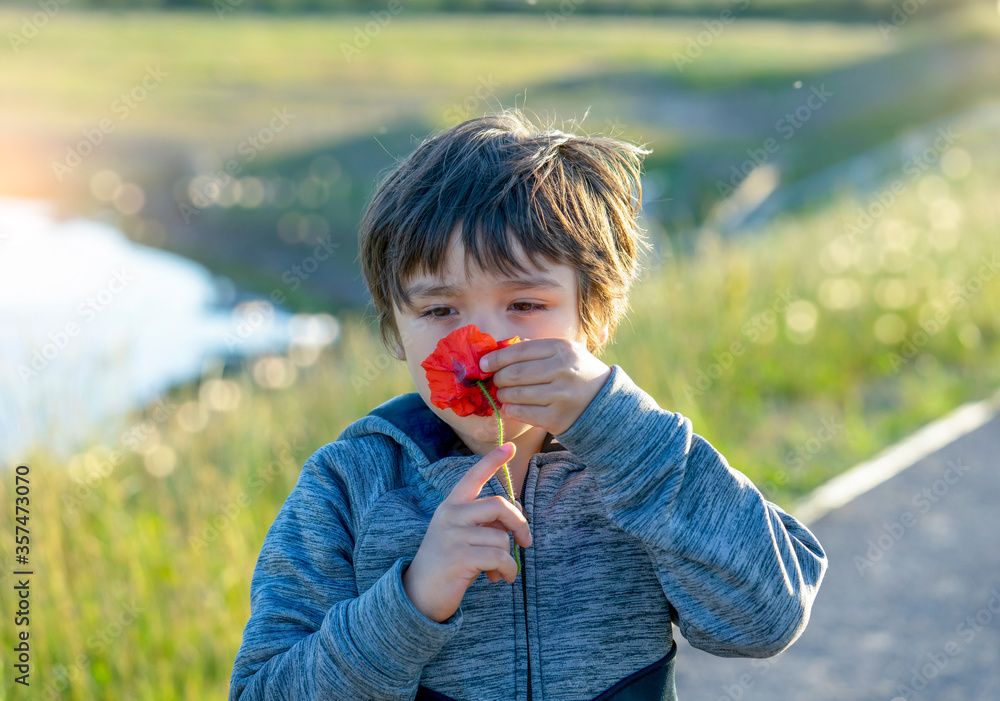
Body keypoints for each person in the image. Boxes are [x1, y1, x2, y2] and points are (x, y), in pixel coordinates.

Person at [229, 108, 828, 701]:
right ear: (394, 328)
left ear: (592, 315)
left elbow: (767, 620)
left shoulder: (641, 459)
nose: (486, 347)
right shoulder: (350, 485)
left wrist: (621, 430)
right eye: (440, 311)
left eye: (525, 304)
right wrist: (410, 600)